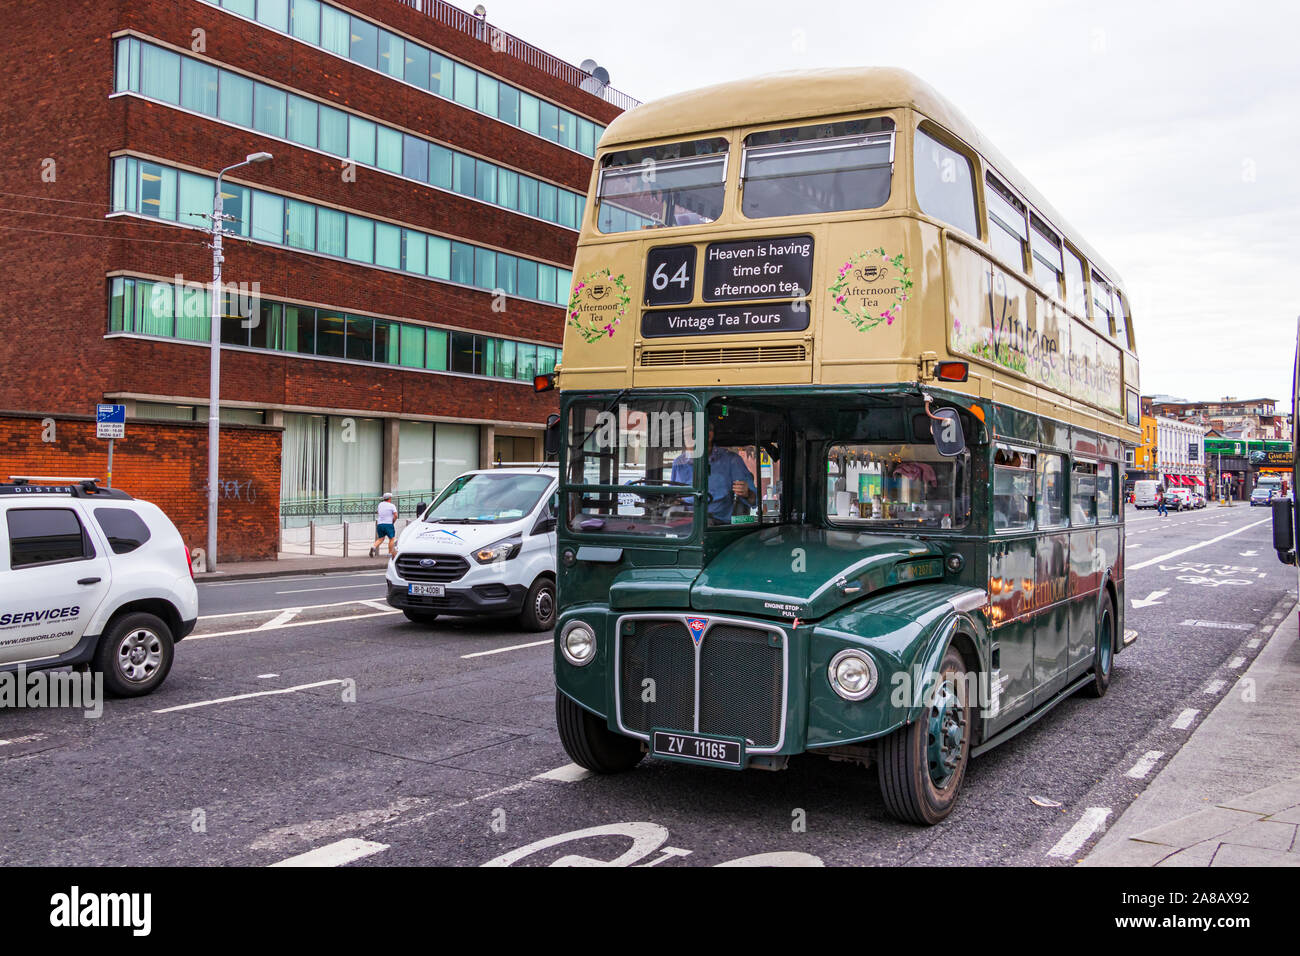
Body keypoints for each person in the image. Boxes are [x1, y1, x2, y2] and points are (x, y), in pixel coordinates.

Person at [670, 421, 757, 523]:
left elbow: (755, 500)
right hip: (686, 528)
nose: (687, 440)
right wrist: (673, 501)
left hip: (718, 526)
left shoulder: (731, 461)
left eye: (692, 435)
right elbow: (673, 495)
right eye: (685, 436)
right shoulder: (679, 463)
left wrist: (748, 493)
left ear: (709, 435)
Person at [370, 492, 399, 557]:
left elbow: (378, 512)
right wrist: (393, 521)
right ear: (390, 498)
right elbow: (396, 515)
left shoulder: (380, 504)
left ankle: (373, 547)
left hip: (380, 524)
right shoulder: (392, 505)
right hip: (388, 524)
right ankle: (389, 553)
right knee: (391, 539)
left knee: (381, 538)